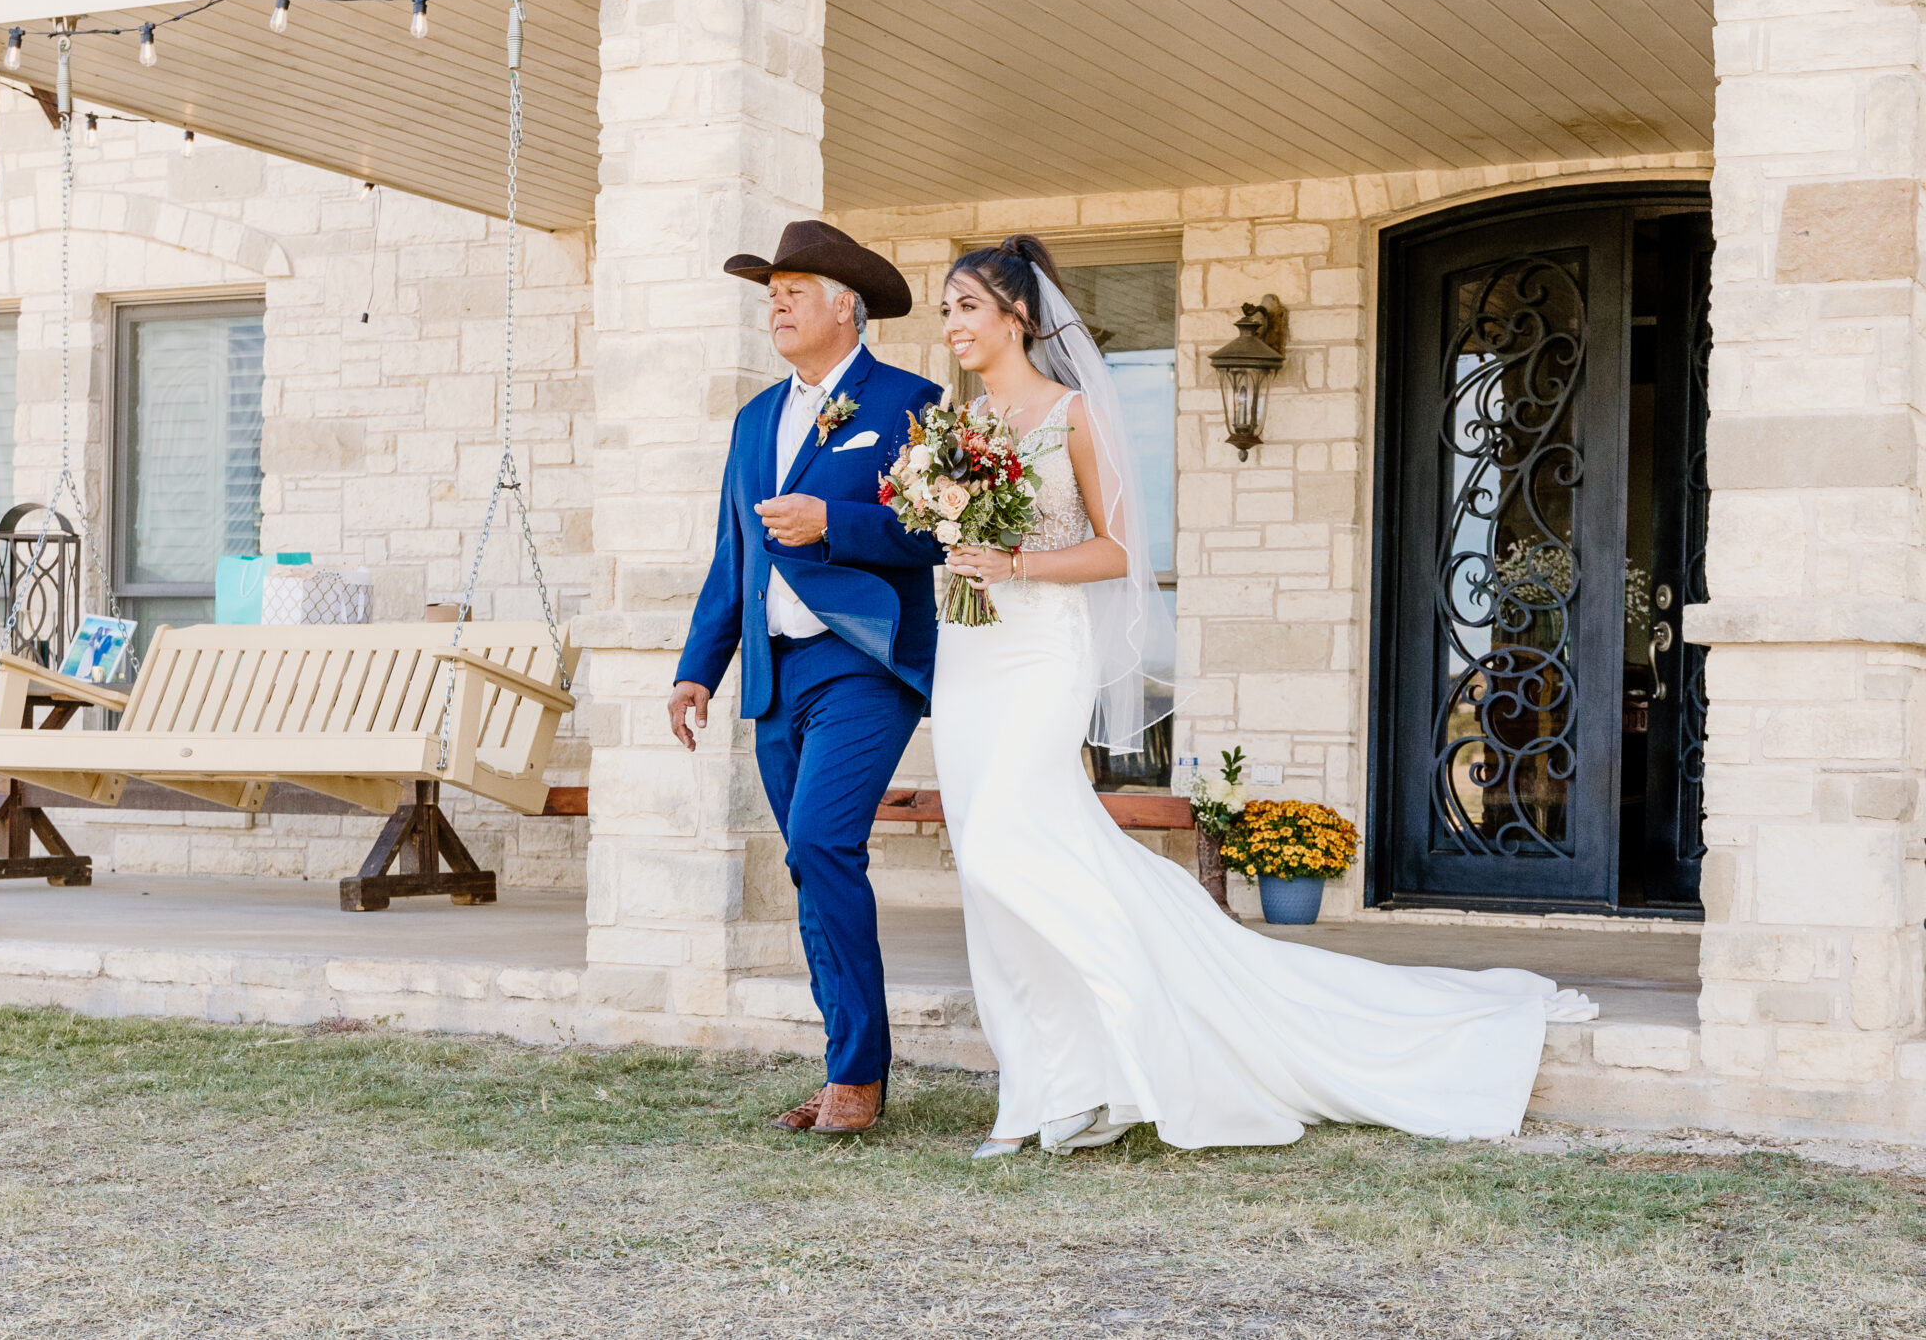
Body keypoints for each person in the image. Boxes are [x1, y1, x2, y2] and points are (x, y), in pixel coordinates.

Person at [933, 235, 1597, 1160]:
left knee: (1009, 843)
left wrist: (1014, 562)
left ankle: (1126, 1050)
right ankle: (1046, 1082)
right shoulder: (954, 427)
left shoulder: (1071, 412)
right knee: (987, 866)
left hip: (1042, 656)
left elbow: (1121, 551)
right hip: (966, 657)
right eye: (946, 311)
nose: (953, 326)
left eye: (967, 307)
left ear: (1018, 316)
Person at [670, 221, 943, 1135]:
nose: (777, 303)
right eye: (771, 291)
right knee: (806, 861)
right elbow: (732, 555)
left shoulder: (912, 401)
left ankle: (860, 1076)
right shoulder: (753, 418)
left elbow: (936, 533)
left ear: (846, 306)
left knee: (824, 843)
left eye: (795, 288)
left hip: (866, 661)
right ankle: (842, 1070)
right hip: (774, 680)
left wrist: (835, 519)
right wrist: (697, 671)